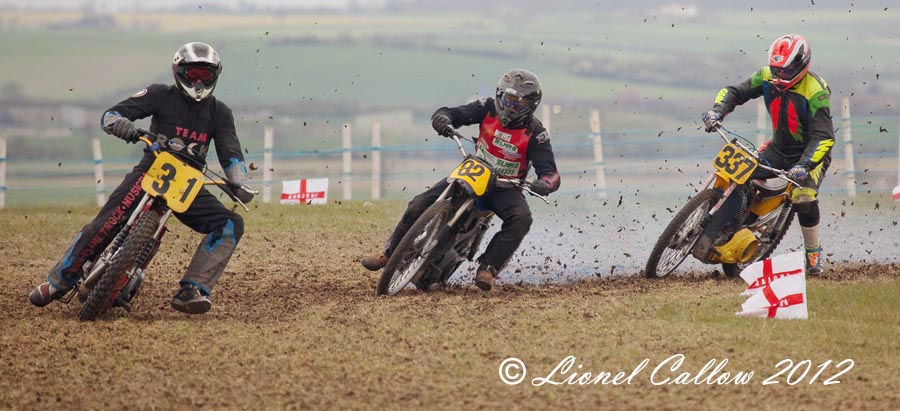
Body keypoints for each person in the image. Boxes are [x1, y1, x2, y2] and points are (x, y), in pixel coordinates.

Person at [28, 42, 254, 314]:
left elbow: (231, 153)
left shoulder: (220, 112)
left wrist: (238, 183)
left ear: (215, 76)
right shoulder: (160, 95)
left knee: (230, 223)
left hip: (188, 184)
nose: (198, 80)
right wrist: (123, 127)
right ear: (179, 71)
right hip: (151, 170)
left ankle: (192, 289)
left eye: (205, 75)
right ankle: (58, 281)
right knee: (105, 222)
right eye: (193, 73)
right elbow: (111, 115)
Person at [360, 68, 561, 290]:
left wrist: (545, 183)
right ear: (498, 95)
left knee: (522, 218)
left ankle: (488, 268)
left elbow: (551, 173)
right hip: (473, 169)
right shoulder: (486, 108)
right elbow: (452, 113)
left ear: (531, 106)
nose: (511, 107)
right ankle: (388, 254)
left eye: (518, 104)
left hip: (505, 187)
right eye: (507, 100)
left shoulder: (537, 134)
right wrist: (443, 120)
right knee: (418, 202)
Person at [701, 34, 833, 275]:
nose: (780, 75)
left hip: (809, 156)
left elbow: (823, 138)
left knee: (803, 198)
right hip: (777, 148)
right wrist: (717, 111)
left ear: (802, 64)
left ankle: (813, 257)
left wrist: (804, 165)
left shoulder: (816, 92)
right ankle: (732, 225)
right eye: (776, 69)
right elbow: (735, 92)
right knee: (738, 172)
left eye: (787, 69)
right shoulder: (765, 76)